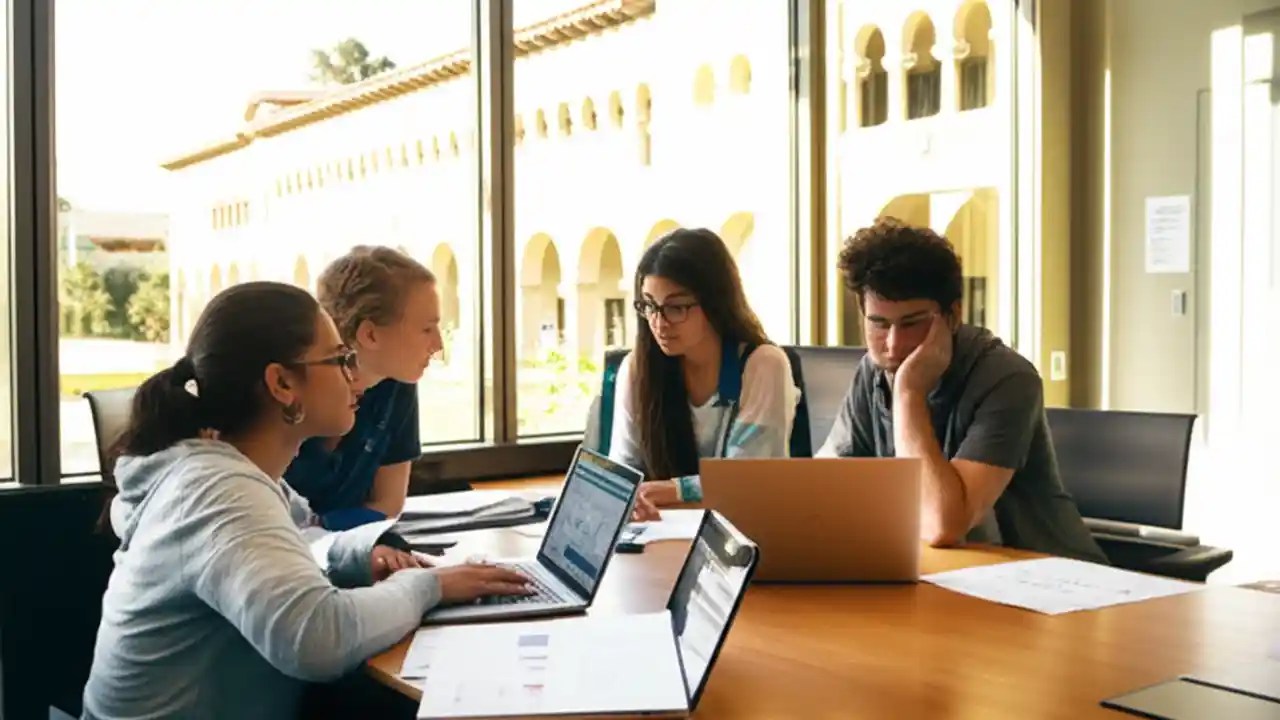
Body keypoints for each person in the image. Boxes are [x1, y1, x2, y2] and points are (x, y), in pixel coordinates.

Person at [82, 282, 529, 720]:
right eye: (340, 360)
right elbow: (318, 640)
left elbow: (300, 537)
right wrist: (431, 587)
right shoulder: (216, 491)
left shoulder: (235, 475)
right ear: (282, 384)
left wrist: (359, 557)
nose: (354, 376)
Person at [817, 217, 1107, 563]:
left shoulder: (1007, 378)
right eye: (878, 324)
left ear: (953, 315)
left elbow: (943, 524)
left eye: (912, 323)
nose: (894, 345)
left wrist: (908, 393)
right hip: (949, 576)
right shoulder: (873, 371)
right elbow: (824, 492)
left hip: (1052, 584)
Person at [609, 228, 800, 521]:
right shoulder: (637, 370)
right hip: (656, 532)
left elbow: (747, 481)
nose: (659, 323)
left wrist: (671, 491)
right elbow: (621, 479)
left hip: (740, 535)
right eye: (649, 306)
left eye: (675, 307)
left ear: (715, 302)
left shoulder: (763, 365)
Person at [285, 246, 441, 530]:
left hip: (348, 547)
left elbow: (389, 504)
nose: (438, 345)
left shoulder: (398, 385)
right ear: (369, 334)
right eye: (427, 329)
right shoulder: (291, 392)